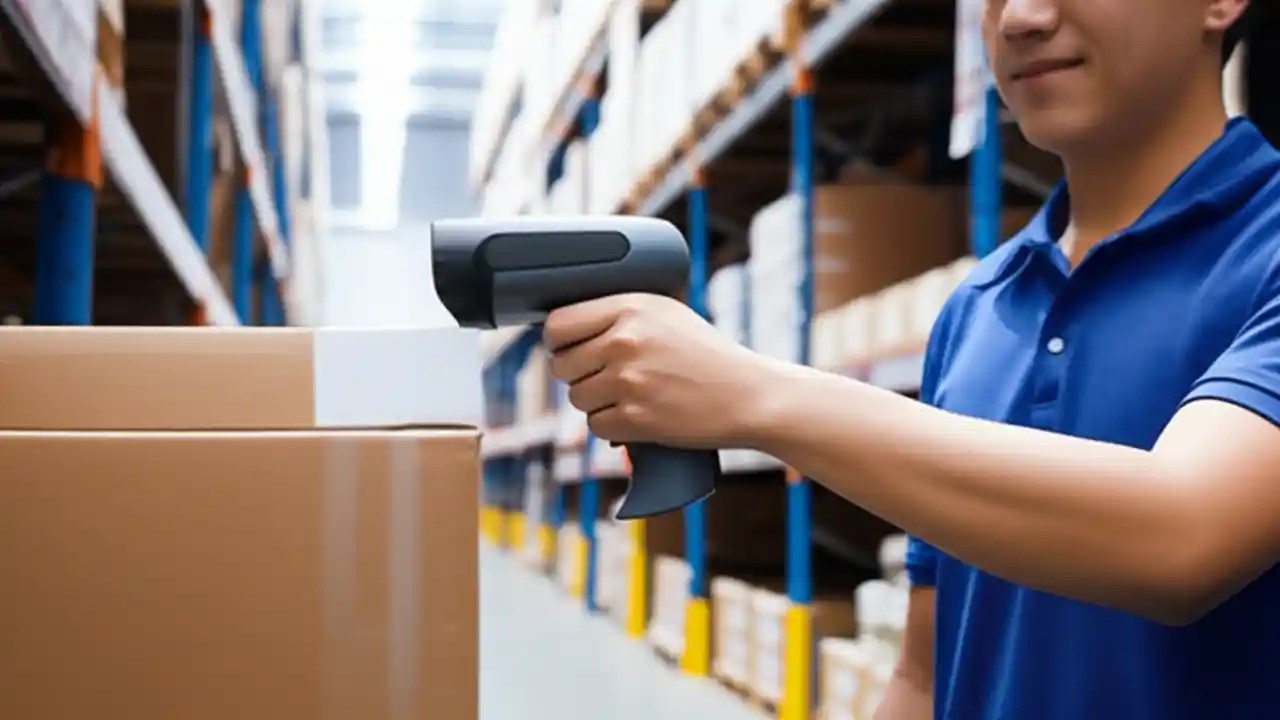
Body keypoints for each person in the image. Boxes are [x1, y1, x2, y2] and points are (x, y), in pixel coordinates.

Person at [544, 0, 1275, 717]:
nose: (1019, 17)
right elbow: (925, 676)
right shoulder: (976, 309)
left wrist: (755, 398)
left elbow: (1182, 537)